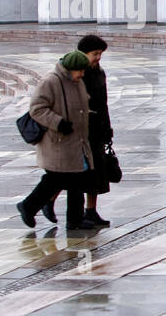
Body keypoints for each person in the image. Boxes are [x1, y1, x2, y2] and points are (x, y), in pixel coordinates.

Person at [16, 50, 96, 232]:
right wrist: (58, 123)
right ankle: (28, 206)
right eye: (80, 71)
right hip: (58, 141)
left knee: (77, 179)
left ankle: (75, 219)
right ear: (70, 69)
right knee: (55, 179)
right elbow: (36, 109)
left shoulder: (77, 81)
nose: (82, 75)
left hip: (76, 140)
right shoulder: (51, 81)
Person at [44, 34, 114, 228]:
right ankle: (49, 201)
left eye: (100, 54)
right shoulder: (77, 74)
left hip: (97, 128)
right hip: (81, 130)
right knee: (73, 173)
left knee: (97, 172)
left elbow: (103, 103)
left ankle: (91, 211)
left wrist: (107, 127)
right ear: (83, 54)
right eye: (95, 54)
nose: (98, 58)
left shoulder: (99, 73)